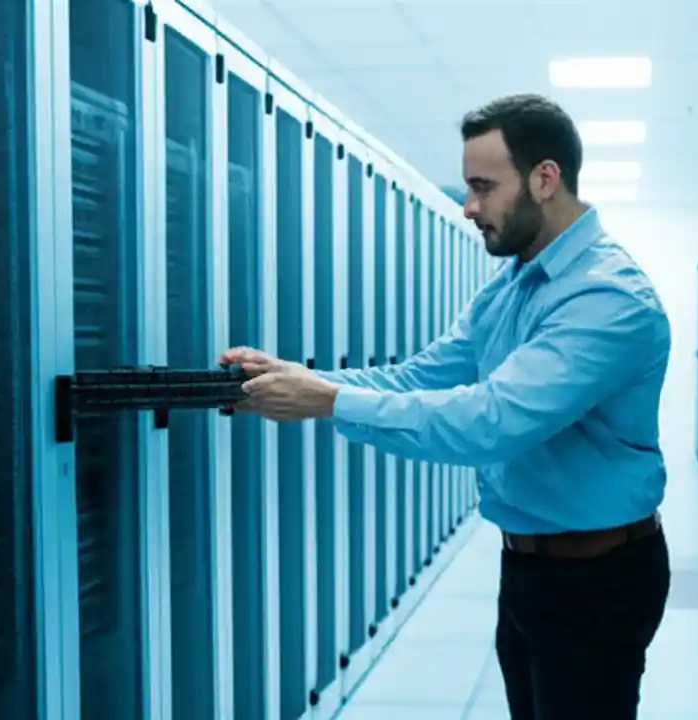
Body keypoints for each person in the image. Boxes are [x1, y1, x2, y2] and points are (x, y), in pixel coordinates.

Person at [220, 93, 672, 719]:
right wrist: (303, 378)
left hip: (598, 575)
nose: (469, 208)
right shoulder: (514, 285)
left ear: (545, 179)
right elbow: (419, 377)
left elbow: (491, 423)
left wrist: (326, 402)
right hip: (531, 564)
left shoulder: (608, 299)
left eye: (484, 187)